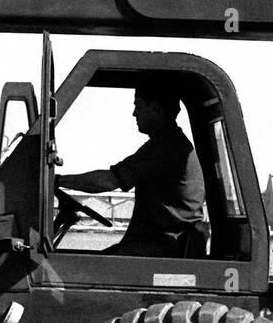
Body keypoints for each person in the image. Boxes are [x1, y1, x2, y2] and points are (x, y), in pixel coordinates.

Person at [54, 85, 207, 257]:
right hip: (156, 246)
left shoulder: (166, 147)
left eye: (139, 106)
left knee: (79, 270)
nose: (135, 113)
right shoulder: (168, 144)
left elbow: (109, 181)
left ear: (156, 109)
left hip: (159, 250)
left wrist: (57, 181)